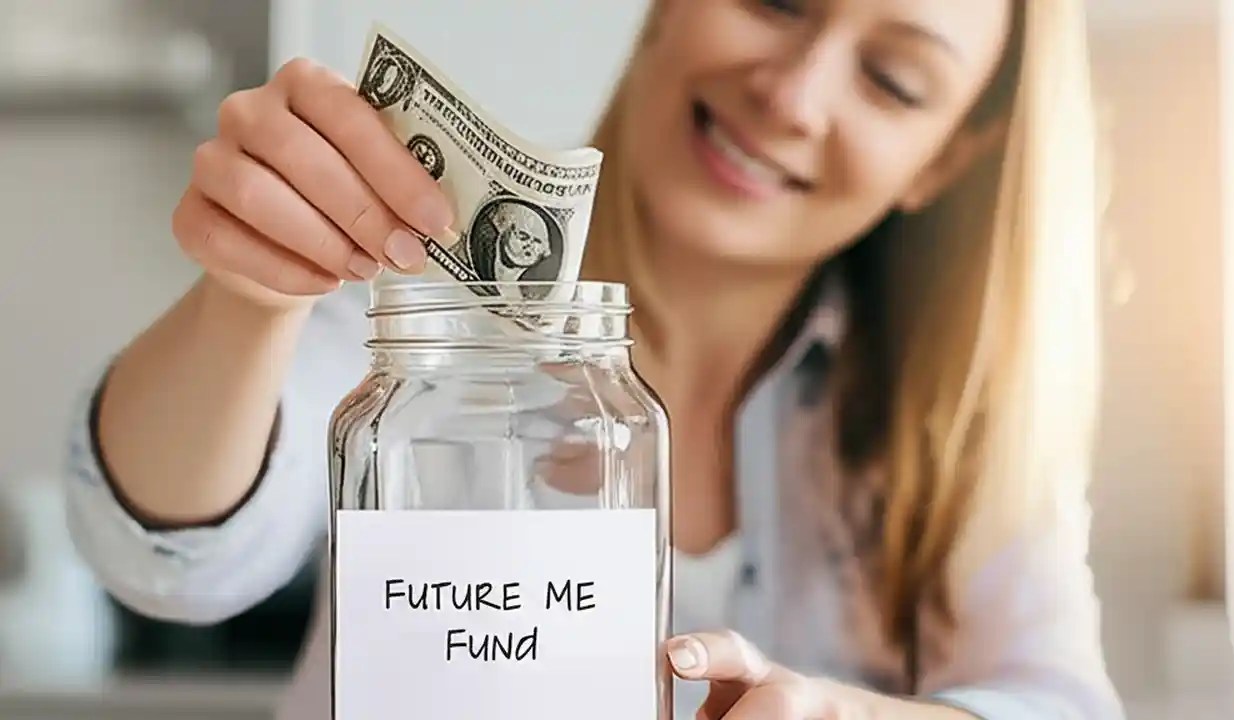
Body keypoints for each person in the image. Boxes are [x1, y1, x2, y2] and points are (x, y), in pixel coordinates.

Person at [62, 0, 1124, 718]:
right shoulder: (413, 324)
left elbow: (1059, 703)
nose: (794, 96)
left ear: (944, 157)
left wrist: (841, 715)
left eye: (891, 80)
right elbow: (169, 560)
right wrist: (250, 295)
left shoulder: (967, 418)